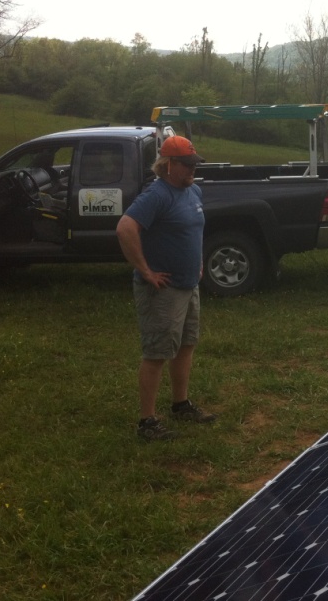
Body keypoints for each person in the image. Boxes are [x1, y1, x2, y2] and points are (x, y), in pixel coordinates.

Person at [116, 135, 217, 441]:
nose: (192, 171)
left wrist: (197, 262)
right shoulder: (157, 195)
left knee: (185, 346)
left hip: (188, 286)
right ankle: (147, 422)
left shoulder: (193, 190)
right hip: (163, 291)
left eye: (194, 164)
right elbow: (125, 228)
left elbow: (193, 231)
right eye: (186, 165)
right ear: (169, 165)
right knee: (157, 353)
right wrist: (145, 270)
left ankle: (180, 404)